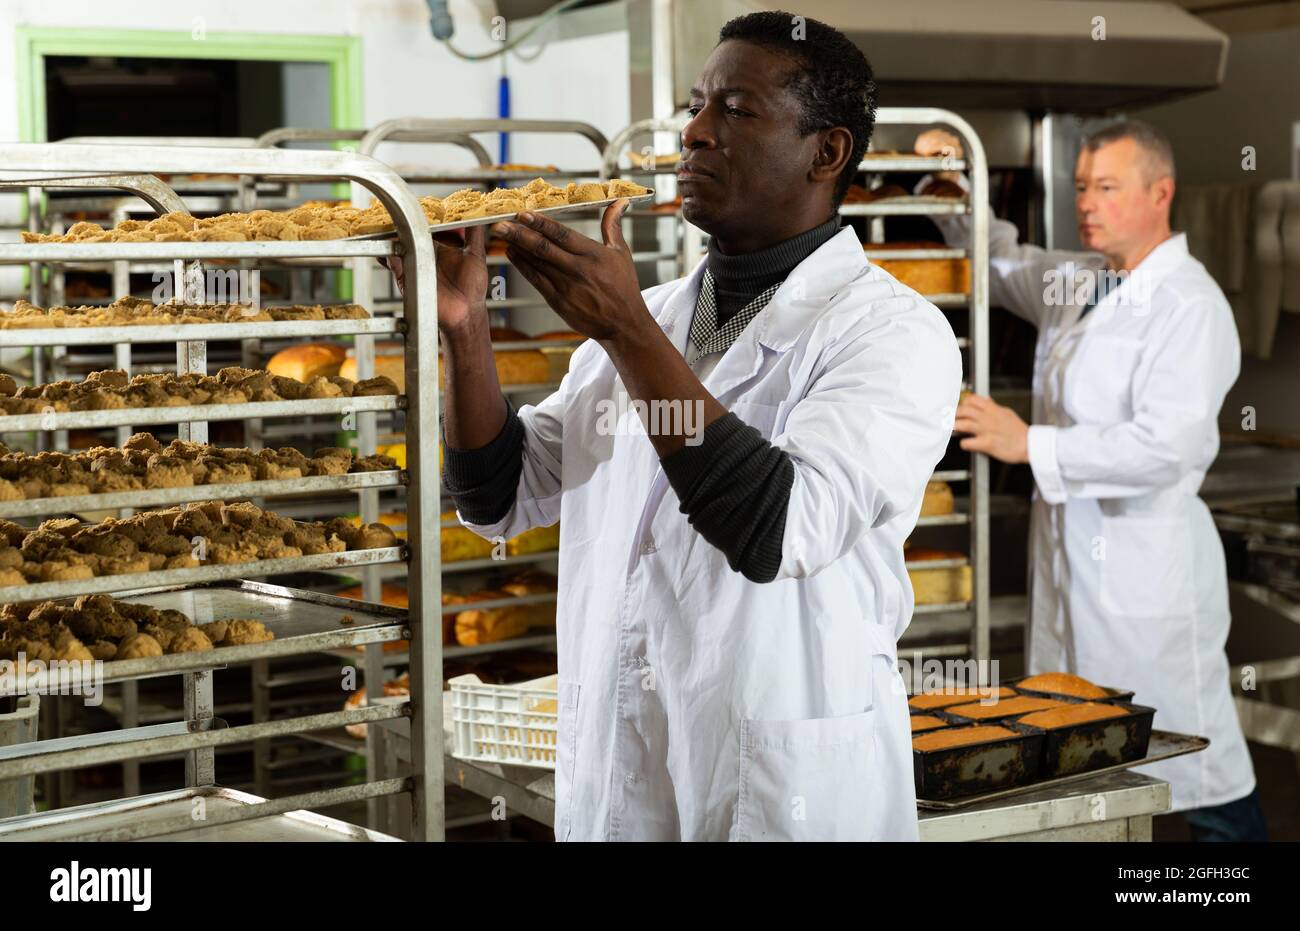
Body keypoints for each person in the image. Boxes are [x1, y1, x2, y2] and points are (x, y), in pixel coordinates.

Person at [389, 12, 960, 841]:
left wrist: (624, 332)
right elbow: (498, 493)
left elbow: (774, 524)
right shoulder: (656, 313)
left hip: (780, 788)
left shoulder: (890, 332)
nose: (693, 131)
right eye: (696, 105)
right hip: (623, 776)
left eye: (735, 109)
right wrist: (463, 328)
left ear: (825, 153)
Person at [916, 120, 1266, 841]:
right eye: (1081, 187)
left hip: (1147, 576)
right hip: (1069, 565)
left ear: (1160, 193)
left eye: (1107, 187)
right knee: (1084, 765)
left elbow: (1165, 446)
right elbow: (995, 256)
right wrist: (947, 180)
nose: (1087, 203)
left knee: (1198, 775)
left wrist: (1028, 441)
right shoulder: (1079, 278)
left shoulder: (1191, 307)